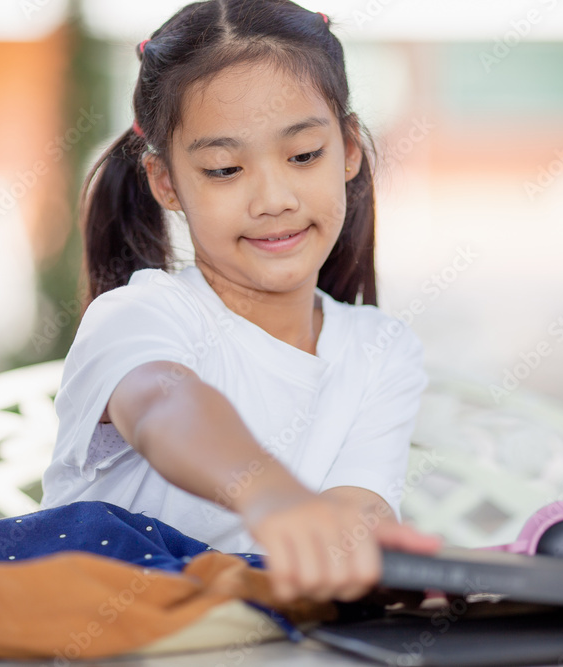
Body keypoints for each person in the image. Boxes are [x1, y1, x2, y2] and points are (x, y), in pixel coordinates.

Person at [41, 0, 441, 605]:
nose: (273, 198)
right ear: (166, 182)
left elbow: (357, 510)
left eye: (303, 155)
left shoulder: (381, 350)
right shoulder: (138, 316)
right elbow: (164, 404)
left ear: (349, 148)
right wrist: (270, 495)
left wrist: (358, 543)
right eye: (225, 169)